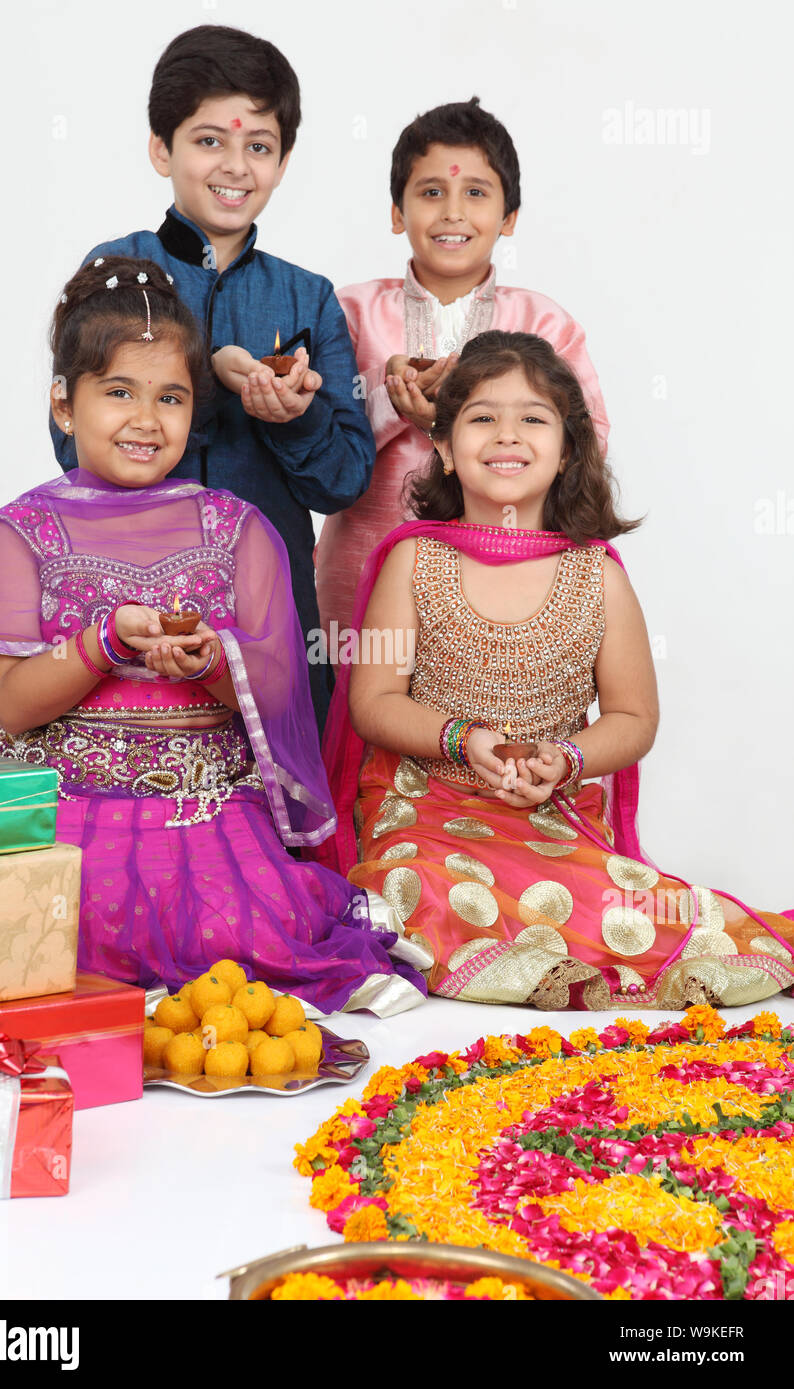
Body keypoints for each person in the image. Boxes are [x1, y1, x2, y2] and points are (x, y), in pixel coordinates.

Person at [0, 257, 425, 1018]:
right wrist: (107, 643)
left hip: (204, 816)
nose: (146, 418)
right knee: (47, 939)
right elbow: (14, 706)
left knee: (241, 941)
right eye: (118, 392)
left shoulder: (236, 530)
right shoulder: (19, 533)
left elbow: (283, 697)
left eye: (172, 397)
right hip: (66, 817)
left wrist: (211, 662)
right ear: (64, 404)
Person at [321, 330, 794, 1010]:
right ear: (446, 449)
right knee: (404, 887)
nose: (507, 434)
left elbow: (633, 718)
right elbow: (375, 702)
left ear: (567, 450)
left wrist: (565, 760)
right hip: (427, 806)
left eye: (533, 419)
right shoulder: (415, 561)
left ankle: (571, 955)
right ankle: (531, 969)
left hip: (551, 812)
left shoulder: (594, 573)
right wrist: (464, 740)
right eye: (482, 417)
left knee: (635, 904)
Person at [51, 25, 376, 731]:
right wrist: (208, 376)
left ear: (284, 161)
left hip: (271, 605)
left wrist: (293, 416)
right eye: (209, 141)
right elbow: (71, 444)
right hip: (124, 592)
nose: (235, 165)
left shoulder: (308, 298)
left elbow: (345, 480)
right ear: (160, 147)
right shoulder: (115, 269)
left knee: (283, 804)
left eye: (258, 145)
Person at [315, 97, 609, 641]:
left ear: (510, 216)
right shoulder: (348, 313)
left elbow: (590, 439)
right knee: (364, 714)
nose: (452, 211)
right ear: (398, 212)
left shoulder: (543, 322)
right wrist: (388, 401)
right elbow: (318, 447)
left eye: (475, 192)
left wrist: (477, 414)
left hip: (511, 580)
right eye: (431, 192)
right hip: (360, 580)